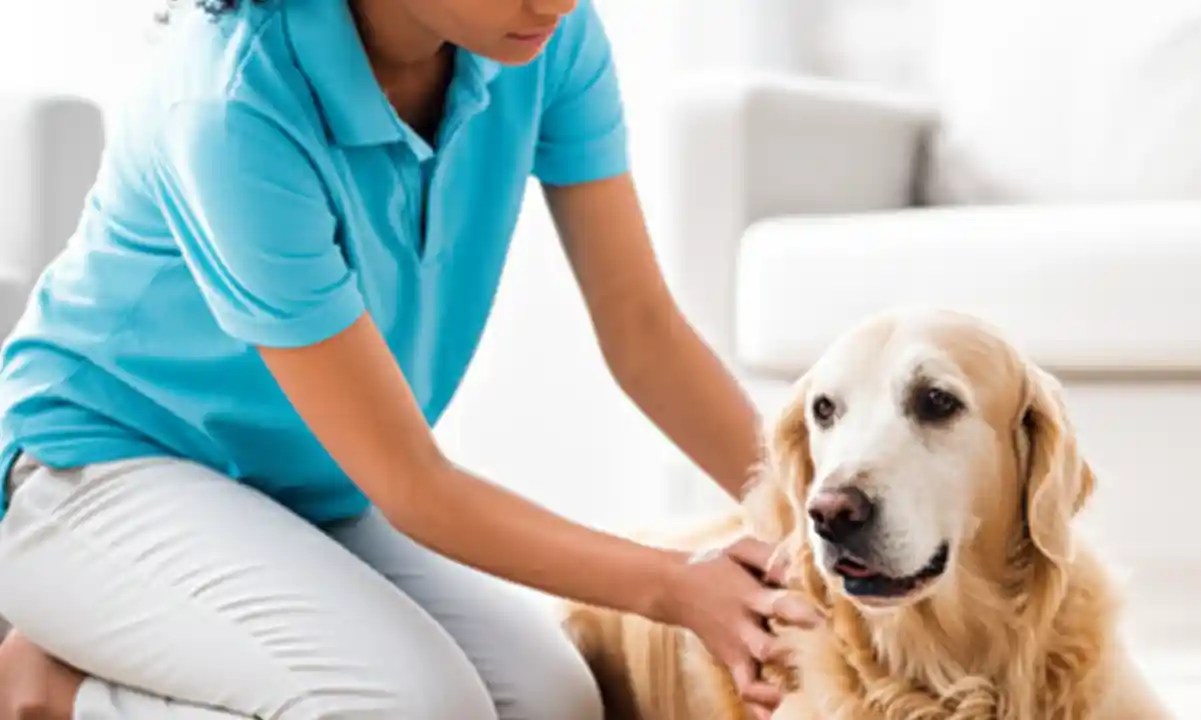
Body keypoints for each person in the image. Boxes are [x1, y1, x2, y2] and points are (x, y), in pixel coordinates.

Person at [0, 0, 822, 718]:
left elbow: (642, 330)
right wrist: (673, 583)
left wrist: (819, 529)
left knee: (552, 702)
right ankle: (55, 694)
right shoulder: (232, 104)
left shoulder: (545, 43)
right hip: (91, 471)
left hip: (306, 489)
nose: (559, 1)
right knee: (407, 709)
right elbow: (412, 484)